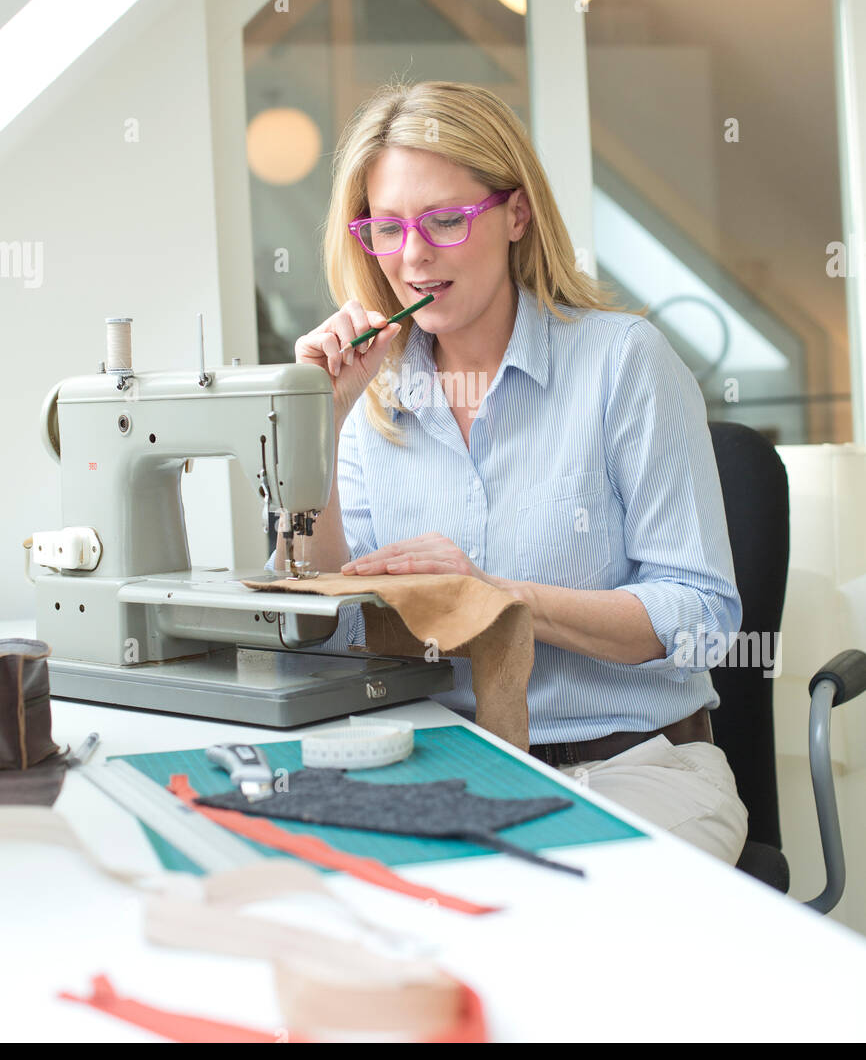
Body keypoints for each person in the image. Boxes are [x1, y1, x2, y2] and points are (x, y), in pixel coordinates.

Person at [266, 79, 749, 866]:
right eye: (386, 229)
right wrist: (320, 426)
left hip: (637, 769)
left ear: (516, 214)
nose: (413, 256)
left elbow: (701, 617)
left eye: (445, 221)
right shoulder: (369, 405)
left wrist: (495, 599)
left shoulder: (624, 365)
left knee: (559, 931)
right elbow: (330, 632)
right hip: (451, 771)